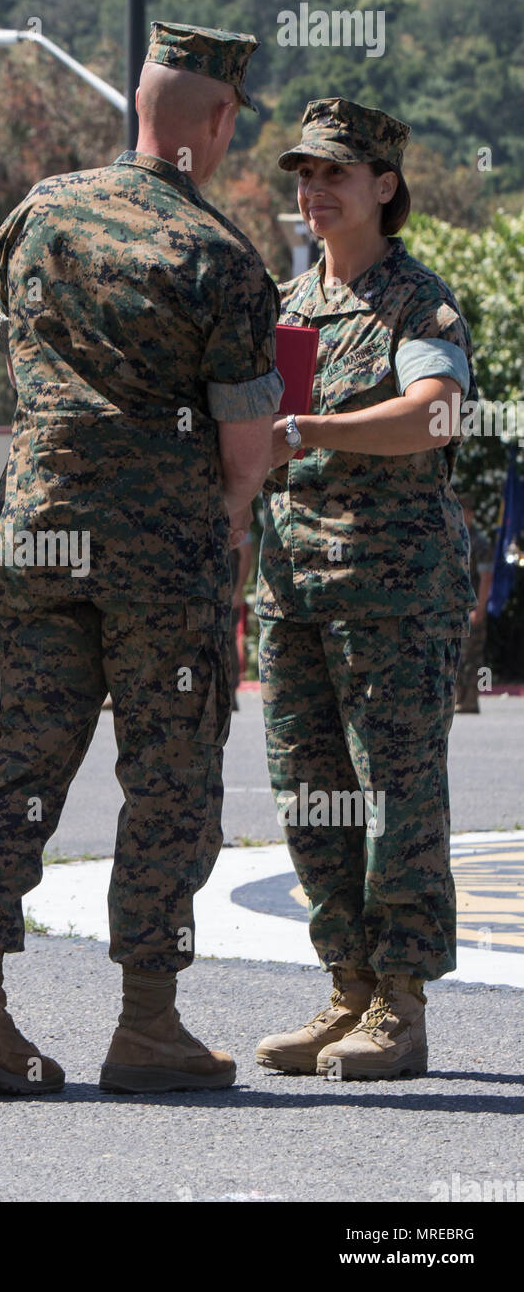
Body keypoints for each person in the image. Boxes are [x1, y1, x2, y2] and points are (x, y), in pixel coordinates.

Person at [0, 22, 282, 1096]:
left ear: (139, 105)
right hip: (158, 553)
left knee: (24, 764)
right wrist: (221, 520)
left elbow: (21, 364)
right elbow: (243, 447)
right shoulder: (220, 257)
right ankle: (147, 1021)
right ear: (219, 120)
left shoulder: (35, 213)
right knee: (169, 774)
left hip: (36, 526)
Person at [254, 98, 477, 1081]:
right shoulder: (290, 309)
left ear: (384, 186)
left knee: (394, 798)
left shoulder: (417, 302)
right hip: (293, 589)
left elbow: (435, 418)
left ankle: (403, 1002)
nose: (313, 192)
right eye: (303, 175)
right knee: (313, 797)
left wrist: (317, 433)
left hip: (391, 592)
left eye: (334, 174)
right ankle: (346, 988)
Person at [453, 496, 493, 713]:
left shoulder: (479, 542)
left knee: (473, 655)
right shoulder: (455, 535)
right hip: (457, 605)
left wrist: (480, 608)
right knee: (457, 653)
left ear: (471, 514)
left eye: (464, 511)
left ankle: (472, 699)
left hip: (473, 605)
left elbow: (486, 577)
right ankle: (460, 698)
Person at [228, 531, 254, 709]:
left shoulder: (233, 509)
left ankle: (229, 692)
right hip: (206, 592)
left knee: (227, 642)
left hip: (227, 594)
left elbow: (246, 553)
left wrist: (238, 591)